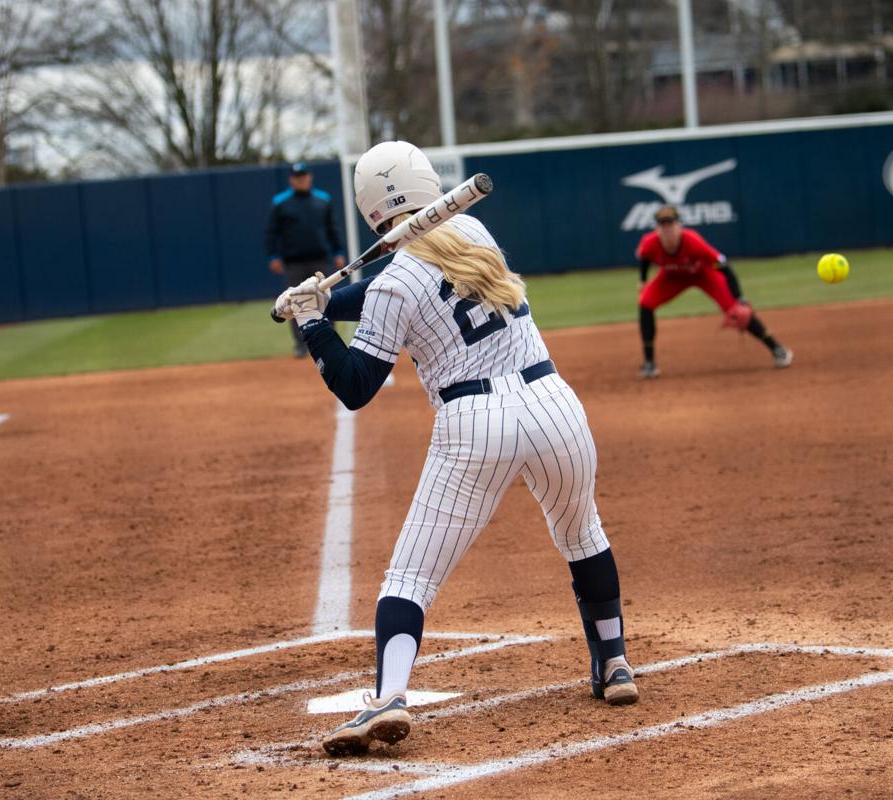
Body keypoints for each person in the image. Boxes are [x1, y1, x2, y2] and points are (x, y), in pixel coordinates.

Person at [273, 141, 639, 757]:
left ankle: (389, 697)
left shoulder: (394, 282)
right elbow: (392, 287)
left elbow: (357, 386)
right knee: (583, 534)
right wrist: (321, 301)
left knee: (410, 576)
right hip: (555, 407)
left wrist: (313, 324)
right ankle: (616, 664)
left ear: (367, 207)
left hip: (475, 424)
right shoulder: (473, 230)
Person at [635, 205, 792, 378]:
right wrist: (643, 280)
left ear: (679, 226)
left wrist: (739, 298)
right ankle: (649, 363)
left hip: (703, 274)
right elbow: (644, 258)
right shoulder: (650, 243)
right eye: (663, 225)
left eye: (670, 224)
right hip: (671, 277)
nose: (667, 229)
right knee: (645, 302)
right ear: (657, 229)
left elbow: (724, 266)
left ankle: (778, 349)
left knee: (738, 312)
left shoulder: (693, 241)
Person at [265, 161, 346, 357]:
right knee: (295, 302)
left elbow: (332, 228)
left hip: (320, 259)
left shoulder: (323, 200)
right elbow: (271, 232)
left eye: (304, 176)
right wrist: (273, 256)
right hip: (294, 261)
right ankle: (301, 345)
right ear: (291, 180)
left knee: (325, 300)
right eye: (297, 177)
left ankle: (329, 340)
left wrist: (338, 252)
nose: (301, 180)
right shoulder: (280, 202)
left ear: (309, 177)